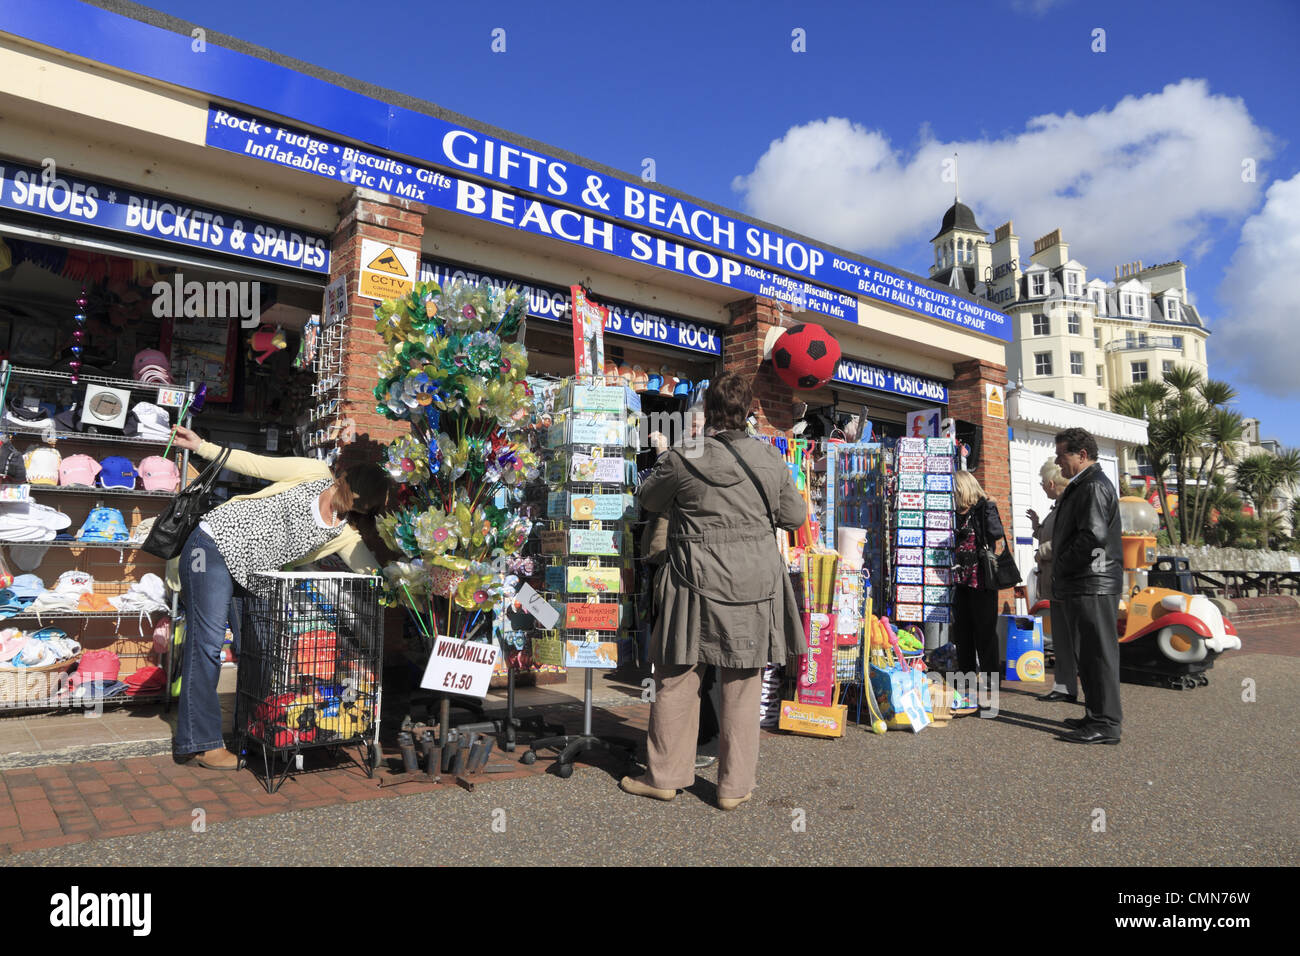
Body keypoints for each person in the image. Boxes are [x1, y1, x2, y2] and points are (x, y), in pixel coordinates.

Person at [620, 372, 806, 809]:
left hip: (693, 582)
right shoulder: (768, 458)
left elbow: (649, 499)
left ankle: (664, 776)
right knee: (742, 684)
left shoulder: (687, 456)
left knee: (678, 677)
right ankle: (733, 788)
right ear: (748, 413)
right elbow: (795, 517)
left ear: (708, 411)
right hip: (755, 586)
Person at [168, 425, 390, 770]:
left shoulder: (343, 535)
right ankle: (200, 744)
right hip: (213, 546)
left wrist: (408, 591)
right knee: (208, 644)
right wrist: (202, 446)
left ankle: (255, 731)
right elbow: (257, 464)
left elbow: (373, 573)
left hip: (253, 575)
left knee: (262, 649)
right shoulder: (314, 473)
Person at [1051, 427, 1124, 744]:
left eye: (1062, 454)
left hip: (1091, 581)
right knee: (1090, 652)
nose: (1057, 461)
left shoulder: (1092, 486)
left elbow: (1092, 537)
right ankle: (1096, 714)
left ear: (1081, 455)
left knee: (1097, 653)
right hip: (1089, 580)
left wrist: (1063, 565)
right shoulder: (1087, 483)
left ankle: (1105, 723)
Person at [951, 470, 1006, 713]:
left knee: (985, 634)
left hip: (982, 579)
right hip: (960, 579)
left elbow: (996, 535)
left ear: (964, 488)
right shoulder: (953, 514)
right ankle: (965, 686)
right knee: (963, 633)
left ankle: (992, 687)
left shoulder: (983, 508)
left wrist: (990, 508)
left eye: (955, 488)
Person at [1029, 460, 1075, 702]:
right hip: (1056, 581)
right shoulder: (1057, 507)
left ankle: (1068, 686)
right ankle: (1064, 685)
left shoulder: (1066, 505)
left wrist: (1041, 552)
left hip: (1063, 580)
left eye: (1042, 483)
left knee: (1068, 636)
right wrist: (1037, 527)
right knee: (1061, 637)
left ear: (1049, 483)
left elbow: (1063, 542)